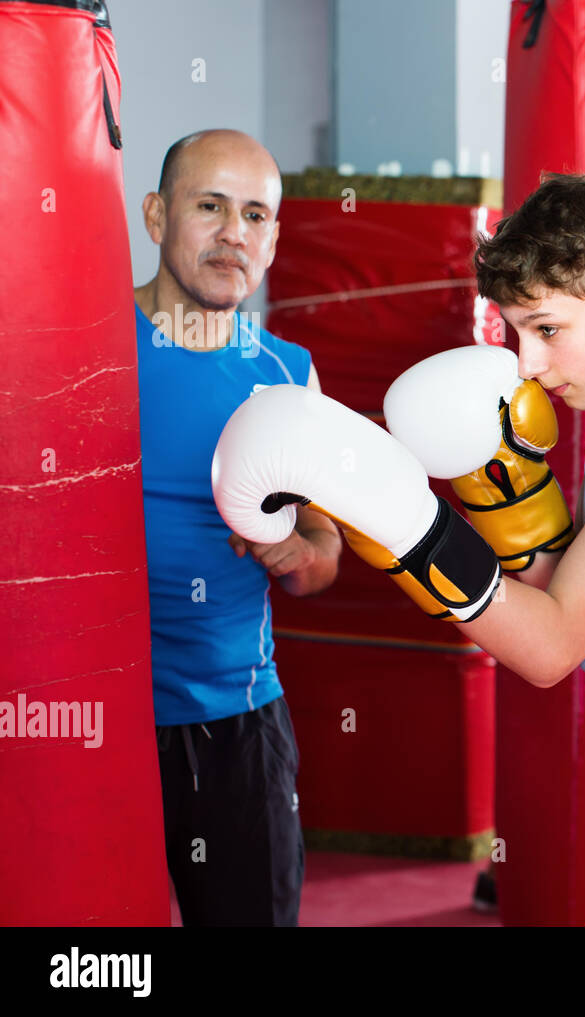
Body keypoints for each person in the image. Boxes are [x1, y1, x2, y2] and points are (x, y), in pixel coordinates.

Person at [213, 173, 585, 926]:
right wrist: (503, 499)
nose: (526, 362)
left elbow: (553, 643)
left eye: (547, 328)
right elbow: (576, 584)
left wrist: (409, 525)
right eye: (514, 332)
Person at [135, 129, 341, 926]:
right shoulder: (83, 345)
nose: (234, 233)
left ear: (275, 238)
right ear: (157, 215)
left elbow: (325, 553)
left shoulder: (287, 371)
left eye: (255, 214)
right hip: (95, 716)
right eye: (209, 205)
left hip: (238, 720)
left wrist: (298, 552)